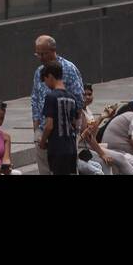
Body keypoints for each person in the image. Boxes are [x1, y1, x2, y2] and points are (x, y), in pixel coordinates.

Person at [30, 34, 84, 176]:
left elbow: (79, 98)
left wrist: (74, 124)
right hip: (43, 128)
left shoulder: (69, 68)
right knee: (45, 169)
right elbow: (35, 98)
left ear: (53, 50)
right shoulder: (38, 72)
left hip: (63, 132)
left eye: (43, 53)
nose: (40, 57)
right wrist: (36, 126)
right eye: (38, 54)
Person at [35, 63, 80, 175]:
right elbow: (75, 123)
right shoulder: (72, 97)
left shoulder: (51, 97)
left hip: (57, 148)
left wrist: (42, 141)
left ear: (50, 76)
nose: (46, 84)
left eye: (45, 80)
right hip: (71, 147)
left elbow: (49, 125)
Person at [76, 84, 119, 175]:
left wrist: (103, 117)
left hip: (88, 147)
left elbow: (93, 134)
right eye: (84, 94)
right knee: (104, 162)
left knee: (116, 155)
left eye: (89, 94)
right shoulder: (80, 112)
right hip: (80, 150)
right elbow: (88, 137)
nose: (87, 97)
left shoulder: (88, 110)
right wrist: (102, 154)